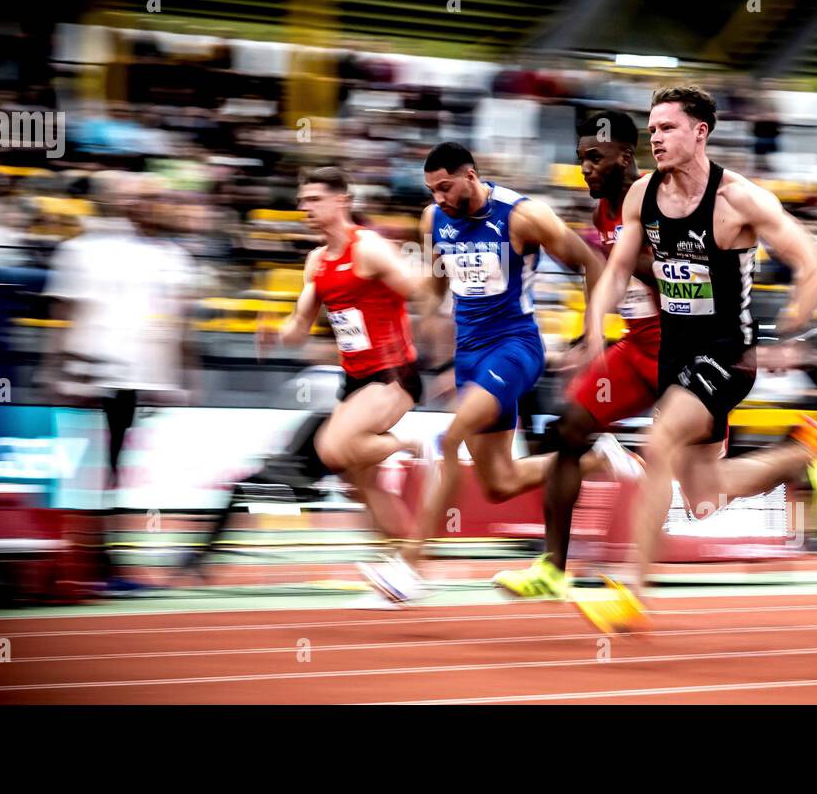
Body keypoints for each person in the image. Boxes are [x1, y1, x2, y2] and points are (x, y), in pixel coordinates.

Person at [578, 86, 817, 632]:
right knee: (702, 496)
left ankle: (630, 592)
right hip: (675, 352)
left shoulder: (739, 199)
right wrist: (594, 319)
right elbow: (619, 268)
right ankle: (805, 452)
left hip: (727, 354)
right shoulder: (642, 195)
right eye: (652, 128)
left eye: (667, 127)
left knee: (658, 442)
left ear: (700, 132)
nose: (656, 137)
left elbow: (811, 258)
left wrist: (797, 324)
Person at [362, 142, 605, 600]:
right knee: (499, 482)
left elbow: (590, 263)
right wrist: (413, 326)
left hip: (515, 348)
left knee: (448, 439)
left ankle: (411, 566)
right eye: (432, 190)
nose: (439, 198)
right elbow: (435, 286)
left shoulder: (522, 215)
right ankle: (593, 459)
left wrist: (592, 335)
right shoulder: (433, 219)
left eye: (446, 187)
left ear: (470, 175)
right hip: (470, 354)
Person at [493, 111, 660, 599]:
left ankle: (801, 457)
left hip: (685, 353)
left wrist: (627, 261)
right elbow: (613, 279)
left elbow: (682, 270)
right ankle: (552, 569)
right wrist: (591, 335)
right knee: (567, 430)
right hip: (637, 344)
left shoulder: (657, 199)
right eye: (580, 158)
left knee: (706, 490)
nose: (584, 168)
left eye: (594, 157)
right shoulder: (601, 213)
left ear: (625, 156)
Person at [249, 166, 432, 601]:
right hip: (355, 381)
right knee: (360, 485)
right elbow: (300, 326)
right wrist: (277, 332)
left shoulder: (368, 248)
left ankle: (409, 445)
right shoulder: (317, 261)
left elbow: (416, 289)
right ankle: (405, 574)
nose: (304, 208)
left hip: (394, 376)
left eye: (312, 199)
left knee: (332, 447)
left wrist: (435, 264)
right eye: (302, 201)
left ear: (341, 201)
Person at [43, 170, 199, 593]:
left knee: (108, 478)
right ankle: (87, 565)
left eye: (147, 197)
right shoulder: (82, 251)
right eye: (131, 196)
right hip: (91, 378)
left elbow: (176, 323)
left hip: (128, 382)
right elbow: (65, 315)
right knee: (89, 477)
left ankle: (99, 565)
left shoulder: (168, 255)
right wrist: (57, 370)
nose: (141, 204)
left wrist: (177, 376)